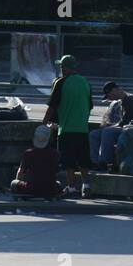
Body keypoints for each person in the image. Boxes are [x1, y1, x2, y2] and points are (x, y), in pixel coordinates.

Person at [43, 54, 93, 198]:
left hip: (66, 129)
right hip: (82, 128)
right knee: (83, 159)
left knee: (68, 161)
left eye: (61, 67)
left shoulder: (61, 83)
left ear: (65, 68)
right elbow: (90, 105)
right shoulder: (85, 82)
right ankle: (86, 186)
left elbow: (52, 106)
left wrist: (43, 122)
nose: (60, 69)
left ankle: (71, 188)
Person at [89, 81, 133, 171]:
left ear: (115, 90)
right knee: (94, 134)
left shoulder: (129, 100)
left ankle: (104, 161)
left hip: (132, 129)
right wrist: (111, 125)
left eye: (110, 95)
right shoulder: (121, 102)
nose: (110, 98)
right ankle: (94, 162)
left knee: (108, 131)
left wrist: (111, 126)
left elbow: (127, 121)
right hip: (124, 127)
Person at [10, 124, 62, 199]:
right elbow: (56, 171)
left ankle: (22, 196)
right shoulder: (55, 154)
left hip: (31, 188)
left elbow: (20, 172)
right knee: (58, 184)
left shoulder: (28, 153)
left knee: (13, 183)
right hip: (50, 189)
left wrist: (19, 180)